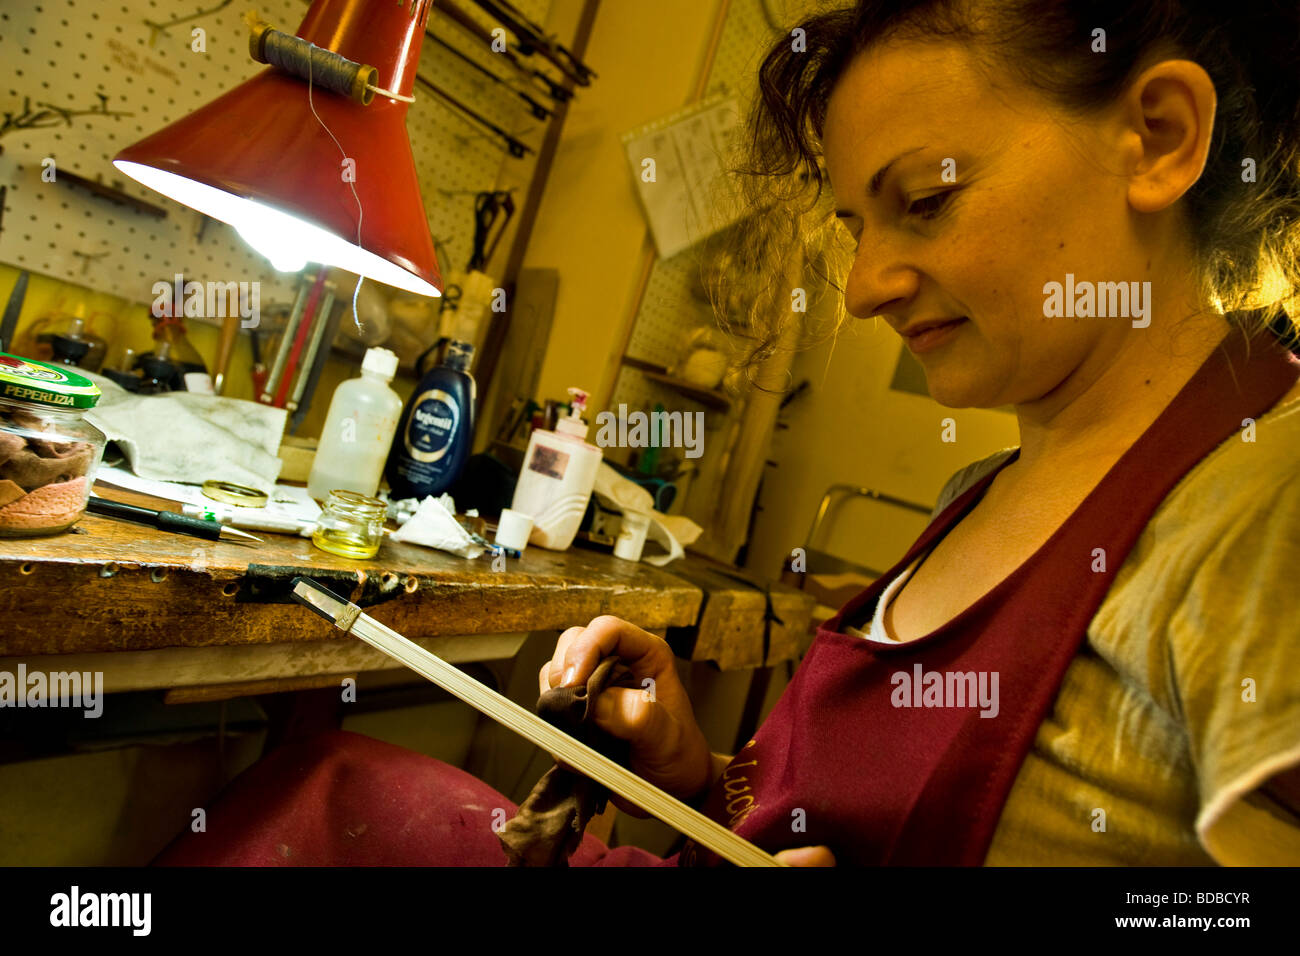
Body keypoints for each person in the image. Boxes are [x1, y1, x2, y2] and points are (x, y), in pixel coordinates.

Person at [156, 0, 1300, 867]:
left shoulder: (1264, 501)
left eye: (927, 198)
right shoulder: (993, 482)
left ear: (1157, 136)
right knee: (331, 784)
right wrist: (696, 773)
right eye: (856, 223)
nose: (863, 289)